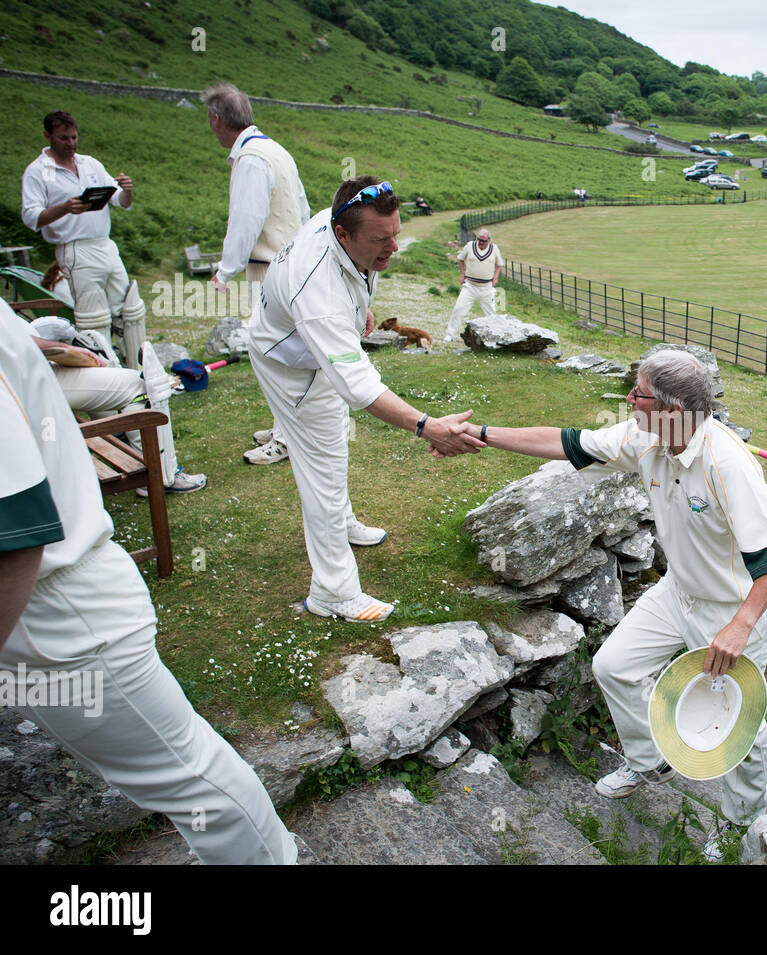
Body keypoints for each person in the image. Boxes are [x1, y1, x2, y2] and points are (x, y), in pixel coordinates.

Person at [455, 349, 767, 860]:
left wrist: (740, 626)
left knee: (740, 730)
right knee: (614, 666)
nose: (628, 398)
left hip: (732, 610)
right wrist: (481, 434)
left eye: (637, 392)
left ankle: (741, 822)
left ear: (670, 408)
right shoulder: (645, 436)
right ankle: (652, 760)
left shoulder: (728, 462)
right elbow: (561, 440)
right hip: (677, 592)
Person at [0, 301, 295, 864]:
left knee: (190, 779)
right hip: (52, 608)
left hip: (59, 613)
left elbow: (15, 527)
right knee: (184, 773)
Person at [248, 176, 484, 623]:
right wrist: (427, 425)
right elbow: (359, 385)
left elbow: (348, 284)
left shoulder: (340, 220)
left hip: (310, 344)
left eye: (396, 233)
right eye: (381, 239)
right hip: (292, 366)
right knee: (322, 467)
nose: (393, 247)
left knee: (335, 443)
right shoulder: (315, 289)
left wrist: (358, 311)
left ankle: (344, 523)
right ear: (343, 234)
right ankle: (332, 592)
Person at [202, 83, 312, 468]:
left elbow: (245, 221)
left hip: (270, 269)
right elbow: (302, 207)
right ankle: (282, 425)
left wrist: (224, 271)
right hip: (290, 263)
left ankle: (286, 438)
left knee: (275, 350)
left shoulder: (250, 158)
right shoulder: (275, 149)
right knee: (281, 347)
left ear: (216, 119)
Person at [20, 111, 145, 369]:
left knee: (129, 310)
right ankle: (108, 376)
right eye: (63, 138)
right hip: (74, 247)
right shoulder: (37, 171)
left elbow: (119, 200)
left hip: (105, 244)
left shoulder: (90, 164)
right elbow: (31, 218)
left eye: (74, 137)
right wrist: (65, 208)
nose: (71, 143)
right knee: (93, 317)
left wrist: (128, 191)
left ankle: (138, 371)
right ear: (48, 136)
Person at [29, 321, 206, 493]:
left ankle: (118, 439)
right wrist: (63, 348)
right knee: (138, 387)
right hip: (28, 377)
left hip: (28, 372)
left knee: (103, 356)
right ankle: (160, 476)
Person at [445, 228, 504, 343]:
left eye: (483, 240)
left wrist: (495, 277)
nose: (481, 242)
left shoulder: (494, 248)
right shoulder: (470, 246)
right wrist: (462, 274)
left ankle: (494, 337)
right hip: (470, 287)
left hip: (486, 288)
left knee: (491, 314)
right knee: (458, 309)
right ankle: (450, 334)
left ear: (489, 240)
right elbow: (461, 259)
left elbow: (499, 265)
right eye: (479, 240)